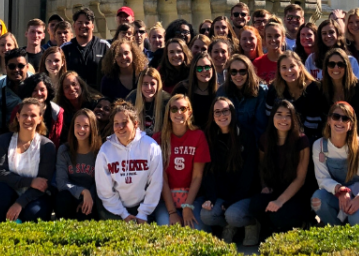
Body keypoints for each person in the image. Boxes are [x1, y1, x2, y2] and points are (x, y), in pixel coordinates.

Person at [311, 102, 359, 226]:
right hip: (342, 196)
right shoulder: (319, 146)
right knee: (318, 200)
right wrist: (340, 190)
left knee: (356, 219)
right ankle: (340, 232)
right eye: (336, 117)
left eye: (345, 118)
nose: (340, 121)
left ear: (351, 125)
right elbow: (323, 179)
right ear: (329, 120)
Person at [247, 100, 312, 242]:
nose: (283, 119)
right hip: (273, 190)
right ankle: (270, 229)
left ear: (293, 118)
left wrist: (279, 201)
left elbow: (300, 179)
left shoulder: (302, 141)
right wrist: (264, 186)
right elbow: (262, 167)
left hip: (294, 194)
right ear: (272, 117)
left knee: (279, 215)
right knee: (255, 205)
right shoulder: (265, 139)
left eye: (288, 115)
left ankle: (297, 226)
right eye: (279, 114)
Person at [0, 97, 56, 222]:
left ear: (40, 118)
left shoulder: (47, 146)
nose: (28, 119)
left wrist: (19, 203)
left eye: (33, 115)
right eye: (24, 115)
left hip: (35, 195)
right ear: (18, 117)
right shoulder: (3, 141)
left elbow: (42, 183)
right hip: (7, 192)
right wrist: (30, 182)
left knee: (34, 213)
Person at [200, 97, 258, 242]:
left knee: (233, 215)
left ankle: (252, 224)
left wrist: (232, 201)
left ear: (232, 112)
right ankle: (230, 226)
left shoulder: (245, 135)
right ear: (212, 116)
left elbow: (248, 175)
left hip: (243, 195)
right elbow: (208, 173)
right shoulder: (209, 137)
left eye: (225, 111)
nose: (222, 115)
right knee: (206, 215)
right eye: (217, 112)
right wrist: (211, 198)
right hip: (222, 196)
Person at [95, 100, 163, 222]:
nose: (120, 127)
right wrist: (123, 214)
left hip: (144, 208)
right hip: (114, 209)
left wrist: (143, 213)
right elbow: (104, 189)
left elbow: (155, 185)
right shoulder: (105, 150)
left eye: (124, 122)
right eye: (116, 123)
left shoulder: (151, 147)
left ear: (136, 124)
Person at [153, 94, 210, 228]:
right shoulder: (158, 138)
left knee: (195, 231)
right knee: (167, 229)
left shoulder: (198, 136)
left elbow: (197, 176)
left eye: (183, 109)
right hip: (166, 201)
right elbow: (162, 179)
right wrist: (172, 212)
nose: (178, 112)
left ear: (189, 112)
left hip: (193, 198)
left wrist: (187, 207)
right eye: (174, 109)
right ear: (168, 113)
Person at [261, 51, 326, 141]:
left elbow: (312, 124)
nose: (289, 71)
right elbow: (269, 118)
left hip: (306, 139)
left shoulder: (312, 88)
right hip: (279, 137)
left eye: (292, 66)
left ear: (300, 67)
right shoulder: (274, 88)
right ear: (279, 70)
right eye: (284, 67)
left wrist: (296, 141)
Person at [56, 108, 102, 220]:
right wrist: (83, 192)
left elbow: (100, 182)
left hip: (92, 197)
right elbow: (61, 182)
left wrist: (89, 195)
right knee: (62, 199)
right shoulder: (64, 150)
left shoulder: (99, 151)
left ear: (92, 128)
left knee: (86, 215)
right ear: (73, 127)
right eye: (78, 125)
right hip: (70, 196)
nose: (81, 129)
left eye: (86, 126)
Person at [218, 55, 268, 140]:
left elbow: (261, 126)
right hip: (230, 142)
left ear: (249, 72)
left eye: (242, 71)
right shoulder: (222, 91)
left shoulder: (260, 91)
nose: (238, 75)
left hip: (252, 143)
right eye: (234, 71)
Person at [319, 48, 359, 127]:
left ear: (347, 67)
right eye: (331, 64)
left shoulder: (357, 88)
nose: (336, 68)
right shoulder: (319, 88)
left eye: (340, 64)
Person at [62, 8, 110, 87]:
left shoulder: (104, 46)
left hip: (97, 96)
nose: (83, 25)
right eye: (80, 23)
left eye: (87, 23)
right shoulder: (65, 48)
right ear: (74, 25)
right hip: (72, 96)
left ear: (92, 26)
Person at [173, 50, 218, 129]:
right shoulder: (182, 89)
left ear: (212, 69)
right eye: (199, 68)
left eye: (207, 67)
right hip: (188, 134)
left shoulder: (219, 91)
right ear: (194, 70)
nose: (204, 71)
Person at [18, 74, 65, 144]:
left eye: (42, 89)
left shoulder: (57, 112)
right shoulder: (19, 109)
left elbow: (56, 139)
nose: (39, 93)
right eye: (35, 90)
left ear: (48, 91)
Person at [0, 47, 33, 124]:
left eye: (20, 66)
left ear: (27, 67)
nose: (16, 70)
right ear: (6, 68)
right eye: (12, 66)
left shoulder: (37, 85)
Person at [134, 67, 168, 134]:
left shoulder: (166, 101)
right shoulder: (132, 98)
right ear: (140, 84)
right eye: (145, 83)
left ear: (158, 85)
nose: (148, 88)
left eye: (152, 84)